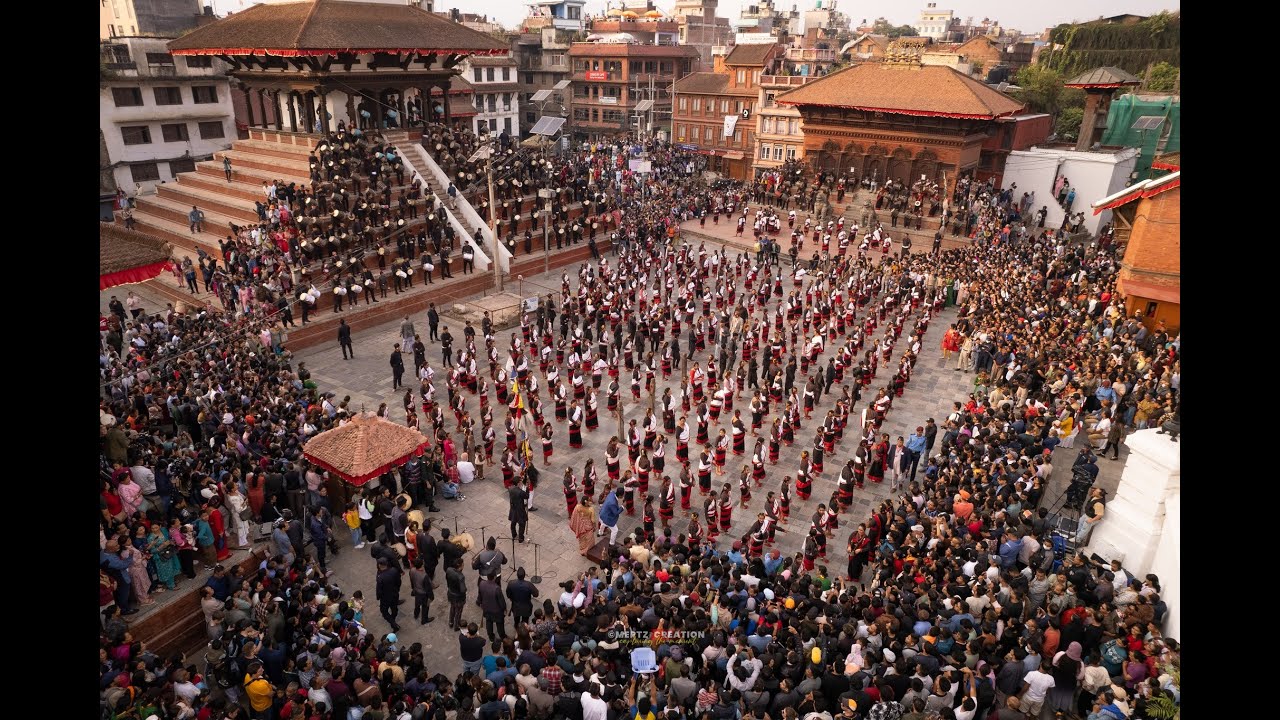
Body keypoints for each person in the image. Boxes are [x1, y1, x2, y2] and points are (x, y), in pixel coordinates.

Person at [375, 556, 402, 632]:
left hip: (385, 598)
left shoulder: (380, 577)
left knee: (384, 611)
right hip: (394, 594)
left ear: (379, 565)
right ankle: (393, 619)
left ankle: (393, 623)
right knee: (394, 608)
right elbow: (399, 582)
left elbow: (379, 589)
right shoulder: (394, 570)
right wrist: (397, 589)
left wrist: (378, 597)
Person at [508, 477, 530, 543]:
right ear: (518, 483)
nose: (521, 483)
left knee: (513, 522)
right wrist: (527, 488)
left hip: (513, 508)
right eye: (520, 482)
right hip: (519, 510)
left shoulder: (510, 488)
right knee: (522, 524)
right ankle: (521, 538)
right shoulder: (520, 492)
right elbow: (527, 496)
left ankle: (514, 535)